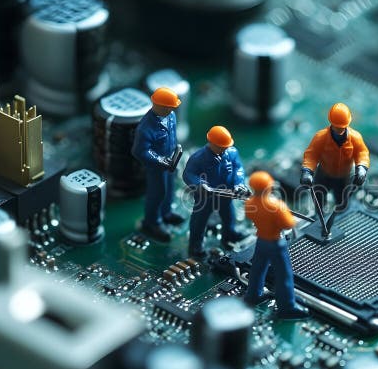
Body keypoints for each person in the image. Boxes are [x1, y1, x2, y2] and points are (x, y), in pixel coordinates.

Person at [243, 171, 308, 320]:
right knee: (283, 275)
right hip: (275, 242)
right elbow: (288, 223)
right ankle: (287, 307)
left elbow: (249, 217)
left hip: (261, 241)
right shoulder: (276, 205)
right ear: (269, 187)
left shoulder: (250, 203)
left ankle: (253, 296)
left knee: (257, 270)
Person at [182, 126, 247, 259]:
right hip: (206, 196)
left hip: (227, 193)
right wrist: (200, 185)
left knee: (229, 216)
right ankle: (195, 245)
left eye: (226, 146)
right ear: (211, 143)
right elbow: (188, 174)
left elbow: (238, 168)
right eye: (221, 146)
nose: (224, 149)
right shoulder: (198, 157)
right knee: (199, 221)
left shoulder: (232, 152)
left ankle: (229, 235)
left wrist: (239, 184)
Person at [131, 87, 185, 242]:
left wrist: (175, 155)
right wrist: (159, 160)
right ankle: (152, 222)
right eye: (169, 107)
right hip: (156, 167)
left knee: (170, 189)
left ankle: (166, 213)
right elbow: (140, 151)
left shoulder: (171, 116)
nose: (172, 109)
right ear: (159, 106)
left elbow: (173, 137)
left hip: (170, 162)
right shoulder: (146, 127)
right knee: (157, 193)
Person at [300, 102, 370, 211]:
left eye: (342, 127)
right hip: (323, 175)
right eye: (337, 127)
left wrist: (361, 168)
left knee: (342, 201)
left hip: (343, 177)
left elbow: (362, 153)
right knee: (319, 198)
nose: (339, 130)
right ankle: (319, 214)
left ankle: (341, 218)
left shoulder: (355, 137)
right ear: (331, 123)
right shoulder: (321, 137)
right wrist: (307, 171)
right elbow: (311, 155)